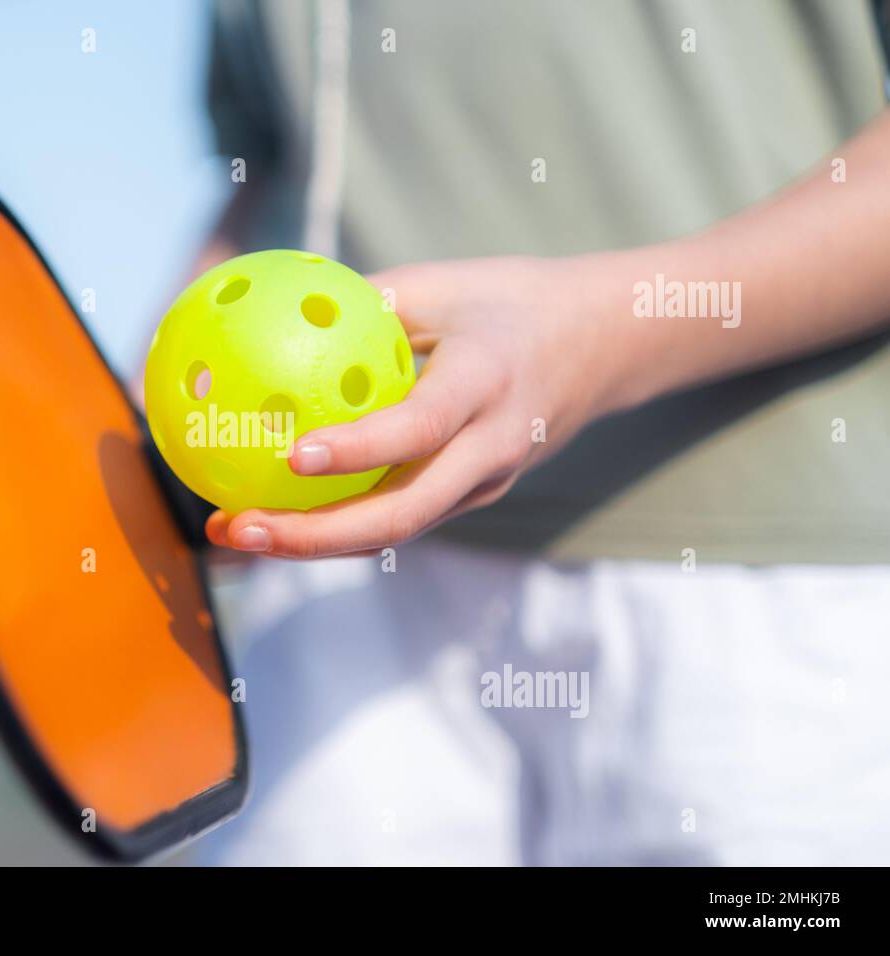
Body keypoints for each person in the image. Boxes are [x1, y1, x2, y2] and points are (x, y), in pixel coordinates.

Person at [182, 0, 890, 864]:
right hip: (335, 592)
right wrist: (171, 430)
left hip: (756, 574)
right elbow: (270, 162)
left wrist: (605, 332)